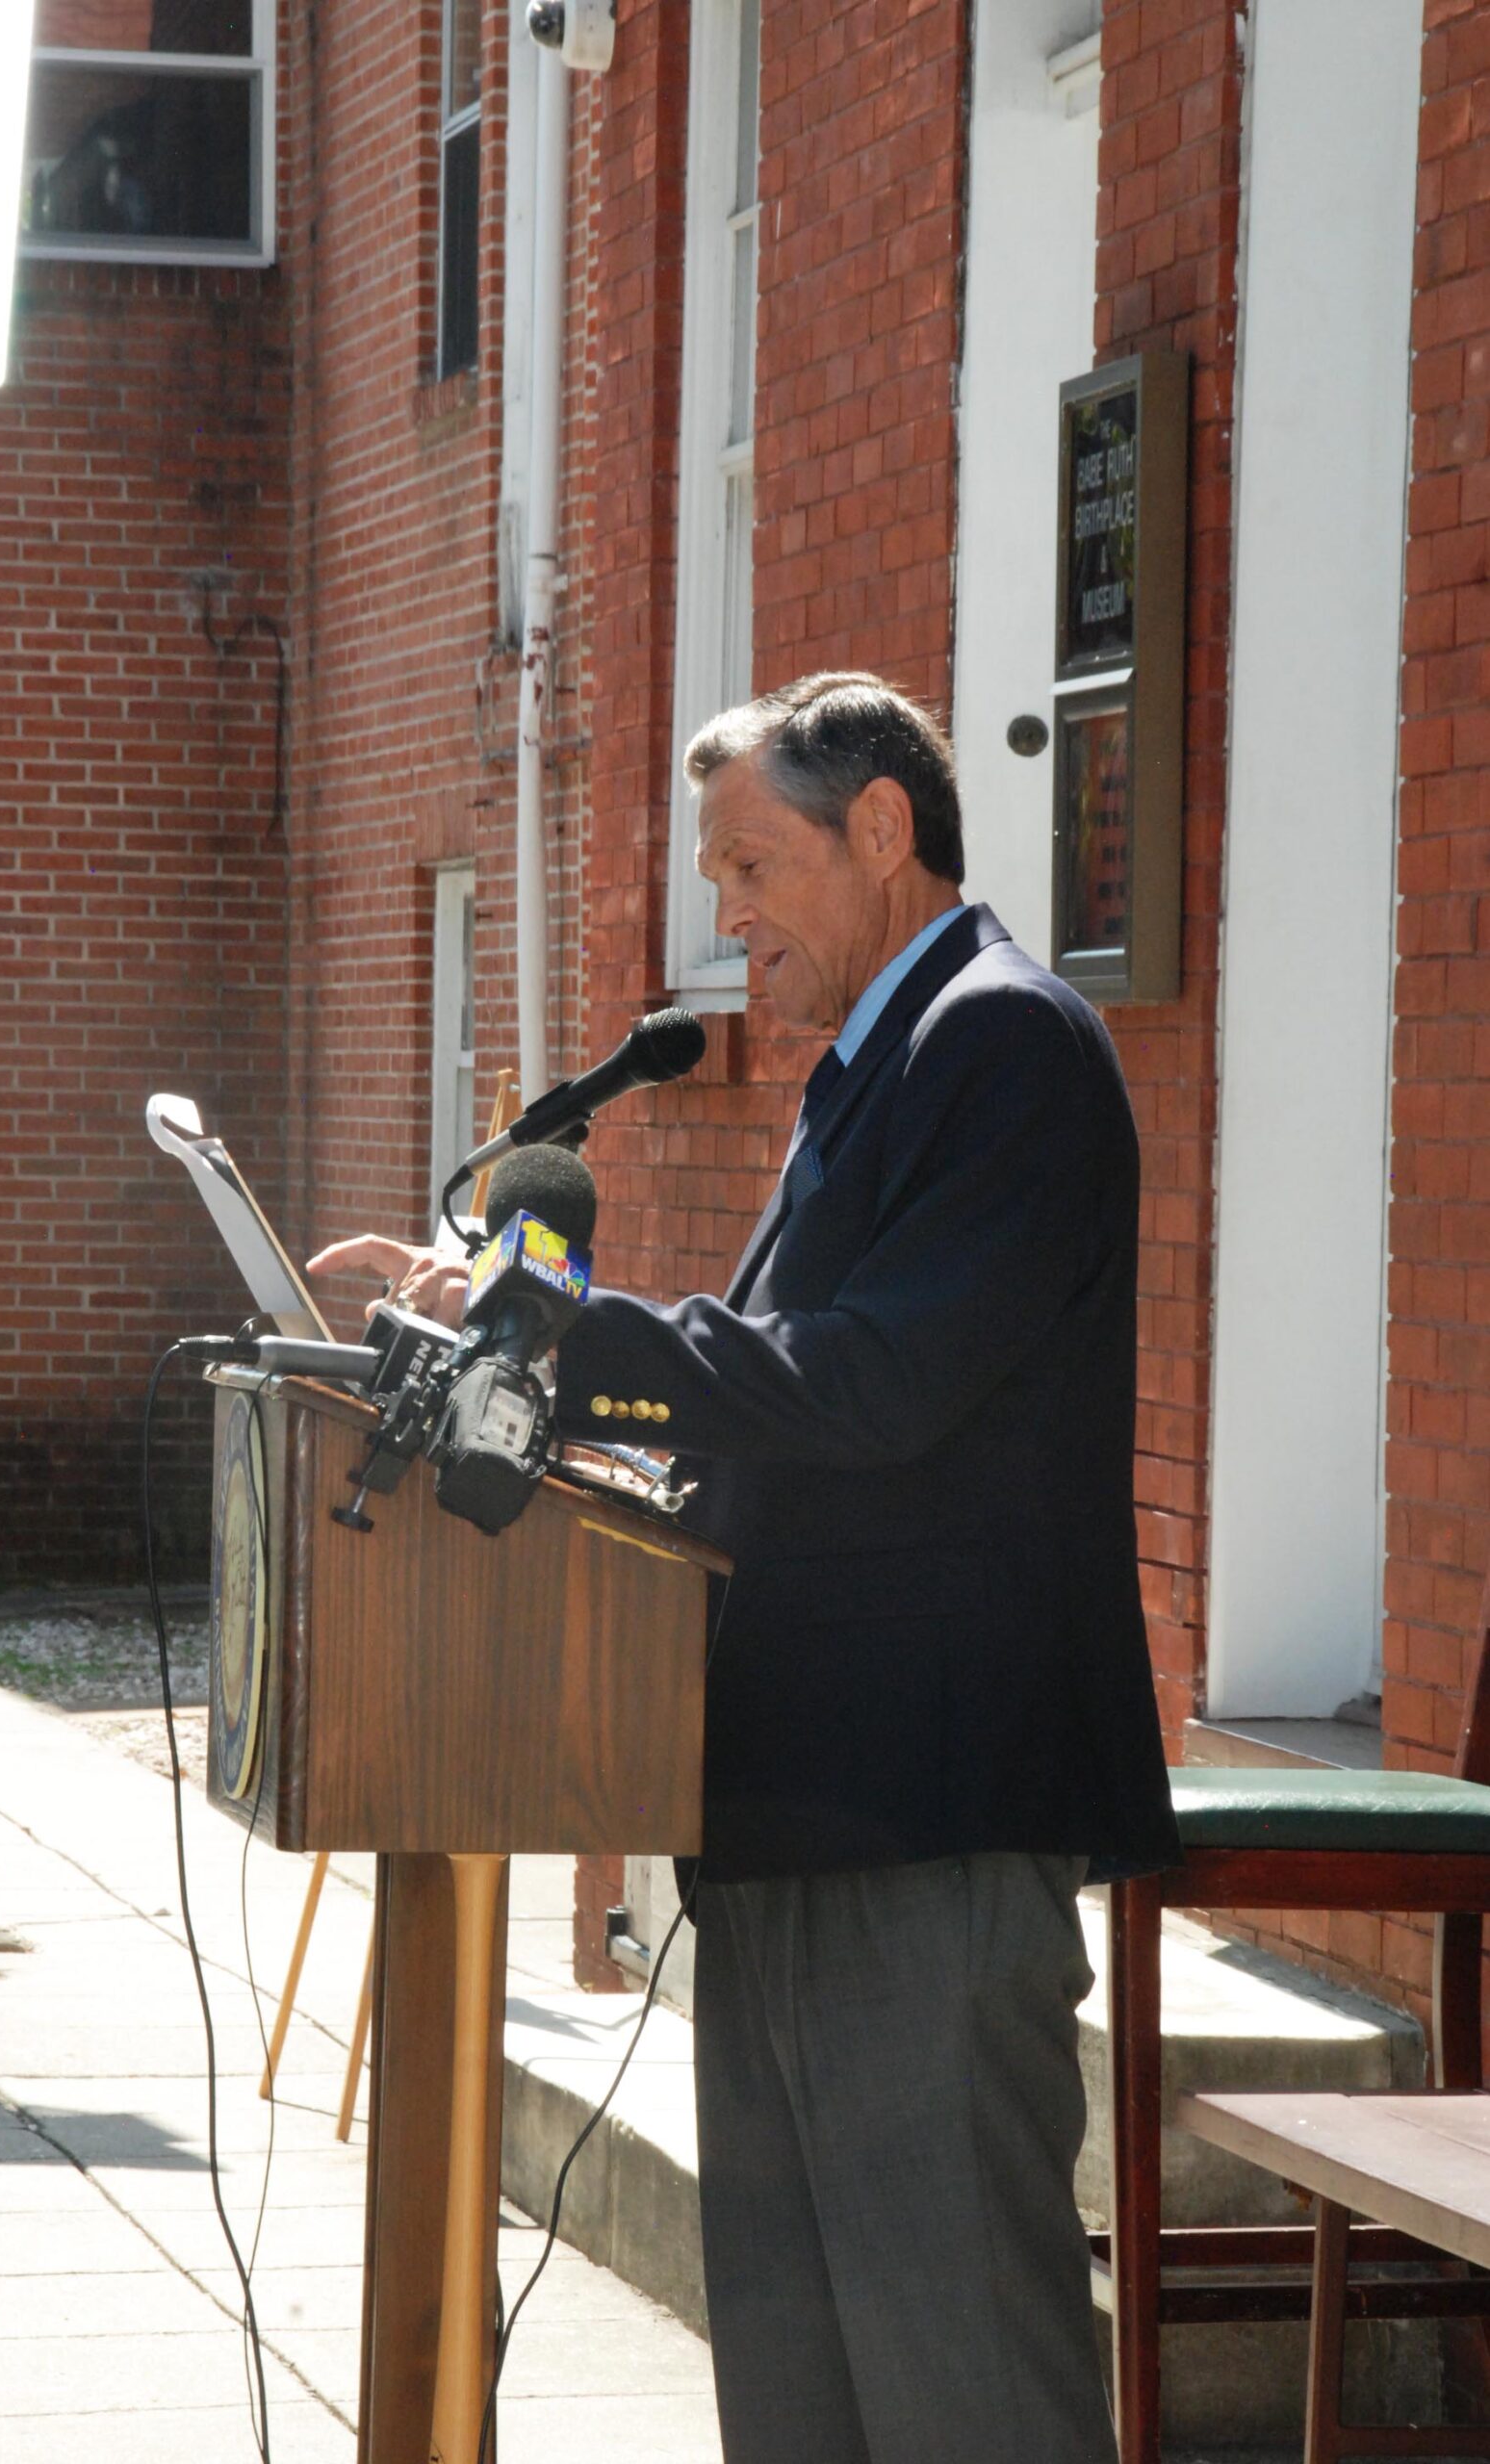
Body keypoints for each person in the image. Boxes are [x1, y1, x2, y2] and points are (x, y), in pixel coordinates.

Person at [310, 671, 1177, 2464]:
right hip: (789, 1807)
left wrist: (554, 1327)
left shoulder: (1000, 1043)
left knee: (957, 2384)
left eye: (751, 862)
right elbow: (780, 1415)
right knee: (801, 2394)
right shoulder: (873, 1064)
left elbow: (875, 1383)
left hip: (925, 1815)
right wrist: (518, 1370)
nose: (729, 916)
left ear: (881, 831)